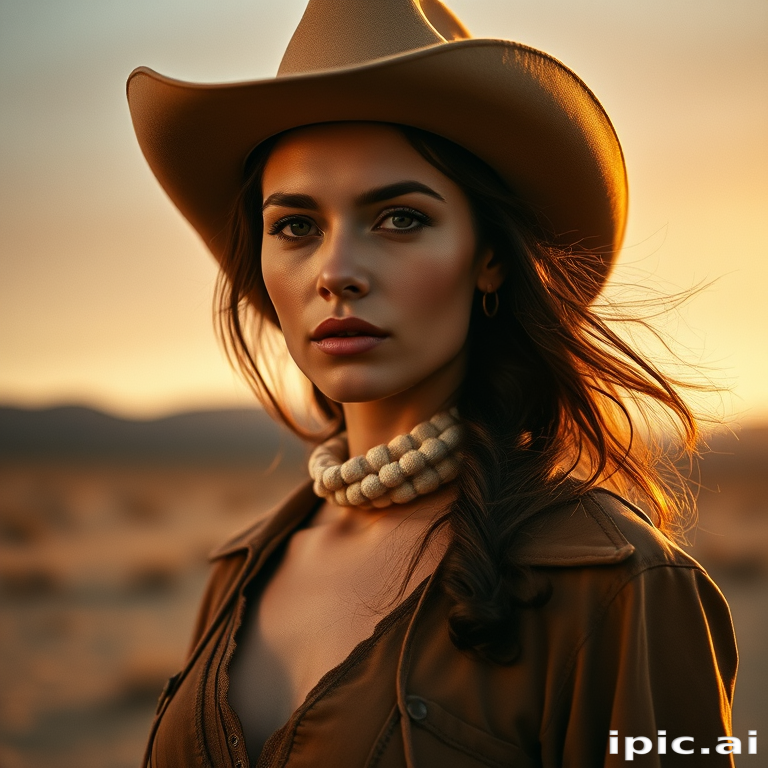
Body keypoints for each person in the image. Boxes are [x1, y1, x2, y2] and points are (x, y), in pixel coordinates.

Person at [127, 1, 738, 766]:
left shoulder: (619, 586)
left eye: (400, 219)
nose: (336, 273)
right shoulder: (243, 569)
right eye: (295, 226)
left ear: (489, 258)